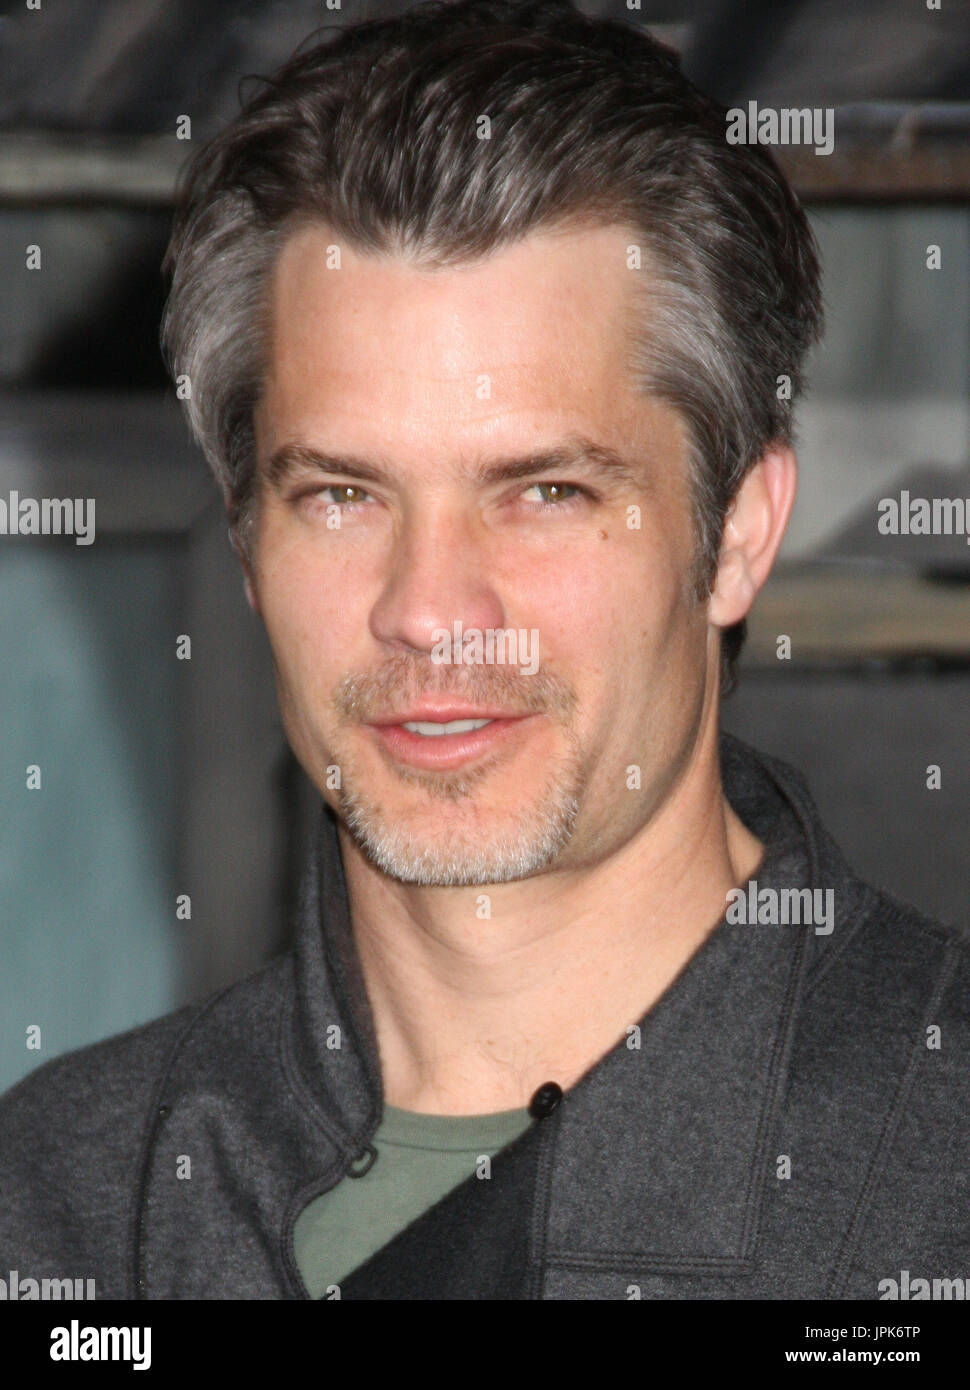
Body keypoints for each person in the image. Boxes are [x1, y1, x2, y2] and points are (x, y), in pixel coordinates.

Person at [1, 0, 967, 1301]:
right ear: (244, 545)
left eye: (543, 492)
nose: (429, 605)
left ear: (737, 532)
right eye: (341, 494)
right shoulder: (62, 1203)